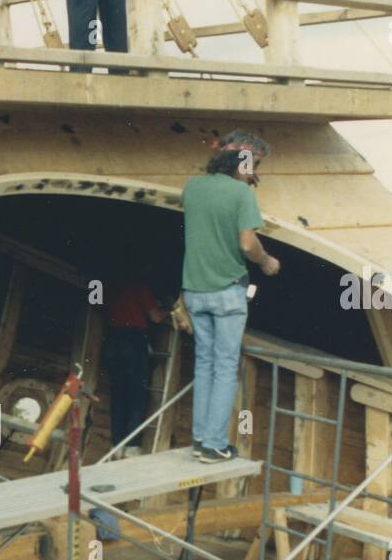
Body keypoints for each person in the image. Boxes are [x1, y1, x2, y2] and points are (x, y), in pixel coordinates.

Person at [181, 132, 281, 463]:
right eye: (256, 165)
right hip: (227, 294)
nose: (255, 173)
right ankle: (213, 445)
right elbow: (247, 244)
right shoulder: (240, 194)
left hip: (194, 291)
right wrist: (266, 261)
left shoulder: (193, 187)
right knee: (225, 367)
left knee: (204, 364)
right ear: (245, 162)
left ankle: (199, 439)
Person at [105, 276, 167, 457]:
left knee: (118, 394)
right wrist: (167, 311)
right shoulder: (139, 285)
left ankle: (116, 445)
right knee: (137, 394)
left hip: (112, 339)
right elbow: (155, 318)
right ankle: (132, 445)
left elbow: (98, 304)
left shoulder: (111, 283)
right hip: (133, 340)